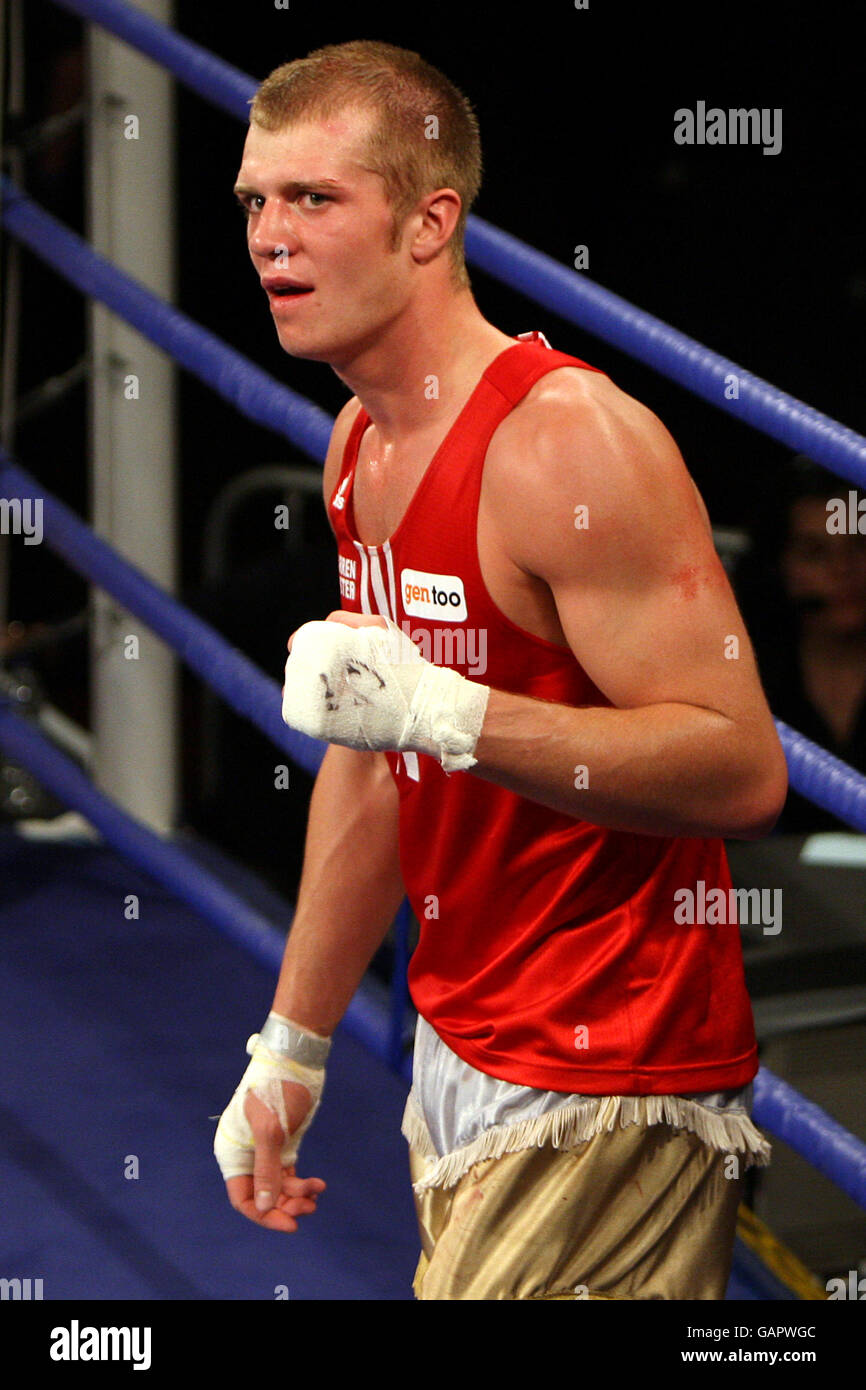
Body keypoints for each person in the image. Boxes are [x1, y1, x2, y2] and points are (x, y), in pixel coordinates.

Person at [213, 39, 789, 1301]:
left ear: (431, 223)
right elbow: (377, 761)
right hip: (458, 1030)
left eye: (314, 200)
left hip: (612, 1061)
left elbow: (740, 765)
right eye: (256, 200)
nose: (269, 237)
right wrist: (291, 1043)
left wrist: (451, 708)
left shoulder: (566, 448)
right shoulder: (357, 445)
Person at [734, 455, 866, 834]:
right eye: (815, 552)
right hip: (771, 886)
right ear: (780, 566)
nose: (843, 569)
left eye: (859, 545)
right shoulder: (742, 673)